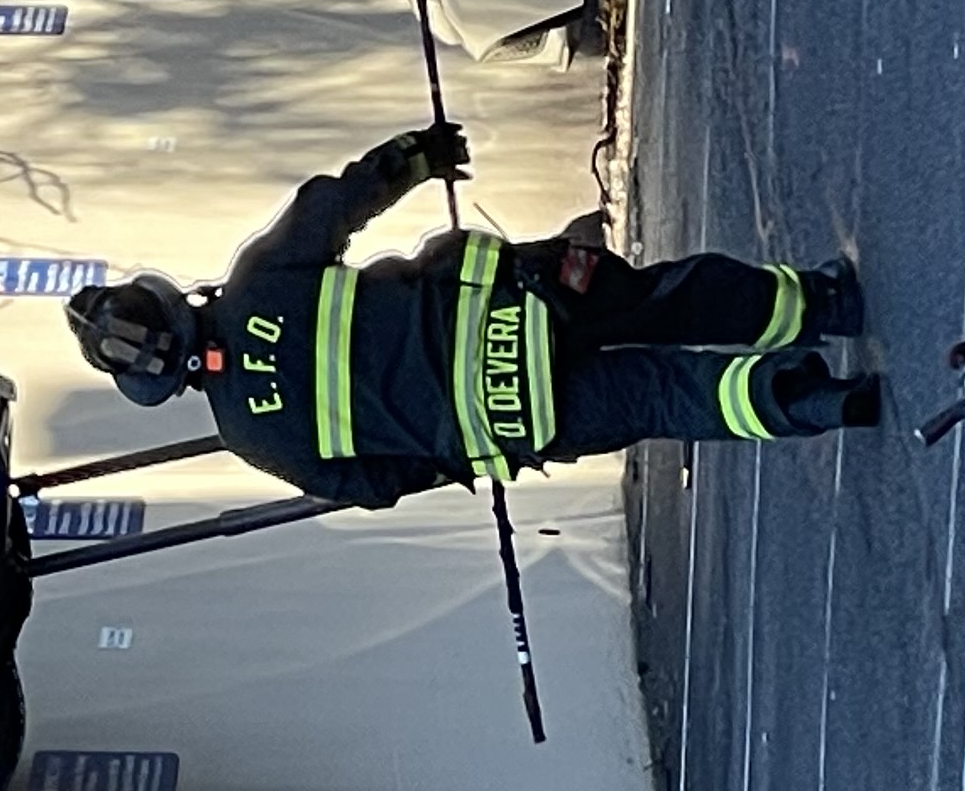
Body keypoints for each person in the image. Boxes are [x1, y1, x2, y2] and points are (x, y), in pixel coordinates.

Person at [64, 125, 873, 507]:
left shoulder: (255, 438)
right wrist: (422, 155)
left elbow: (377, 485)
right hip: (523, 299)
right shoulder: (256, 283)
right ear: (177, 300)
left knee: (673, 395)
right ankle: (819, 303)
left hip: (513, 416)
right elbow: (339, 202)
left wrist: (454, 457)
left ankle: (813, 401)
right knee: (667, 299)